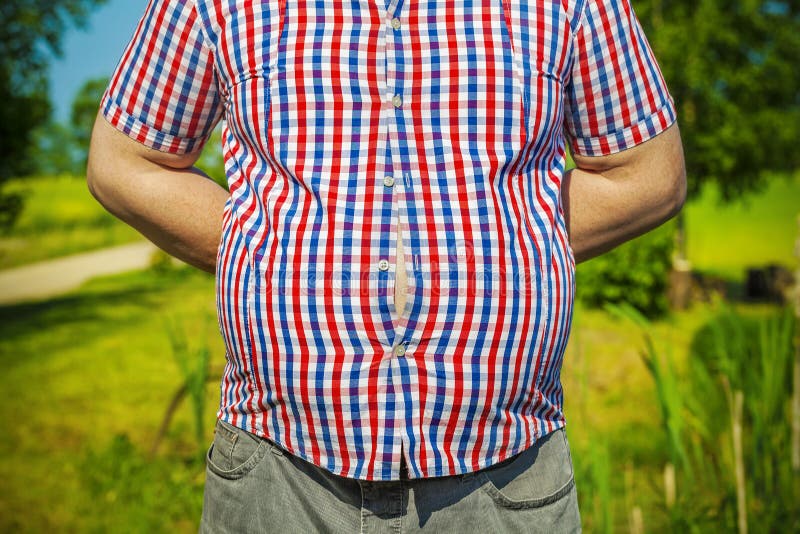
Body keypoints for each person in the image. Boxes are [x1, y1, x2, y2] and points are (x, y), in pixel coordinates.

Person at [87, 0, 685, 531]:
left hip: (505, 476)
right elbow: (125, 161)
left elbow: (648, 176)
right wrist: (264, 245)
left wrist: (516, 241)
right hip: (280, 474)